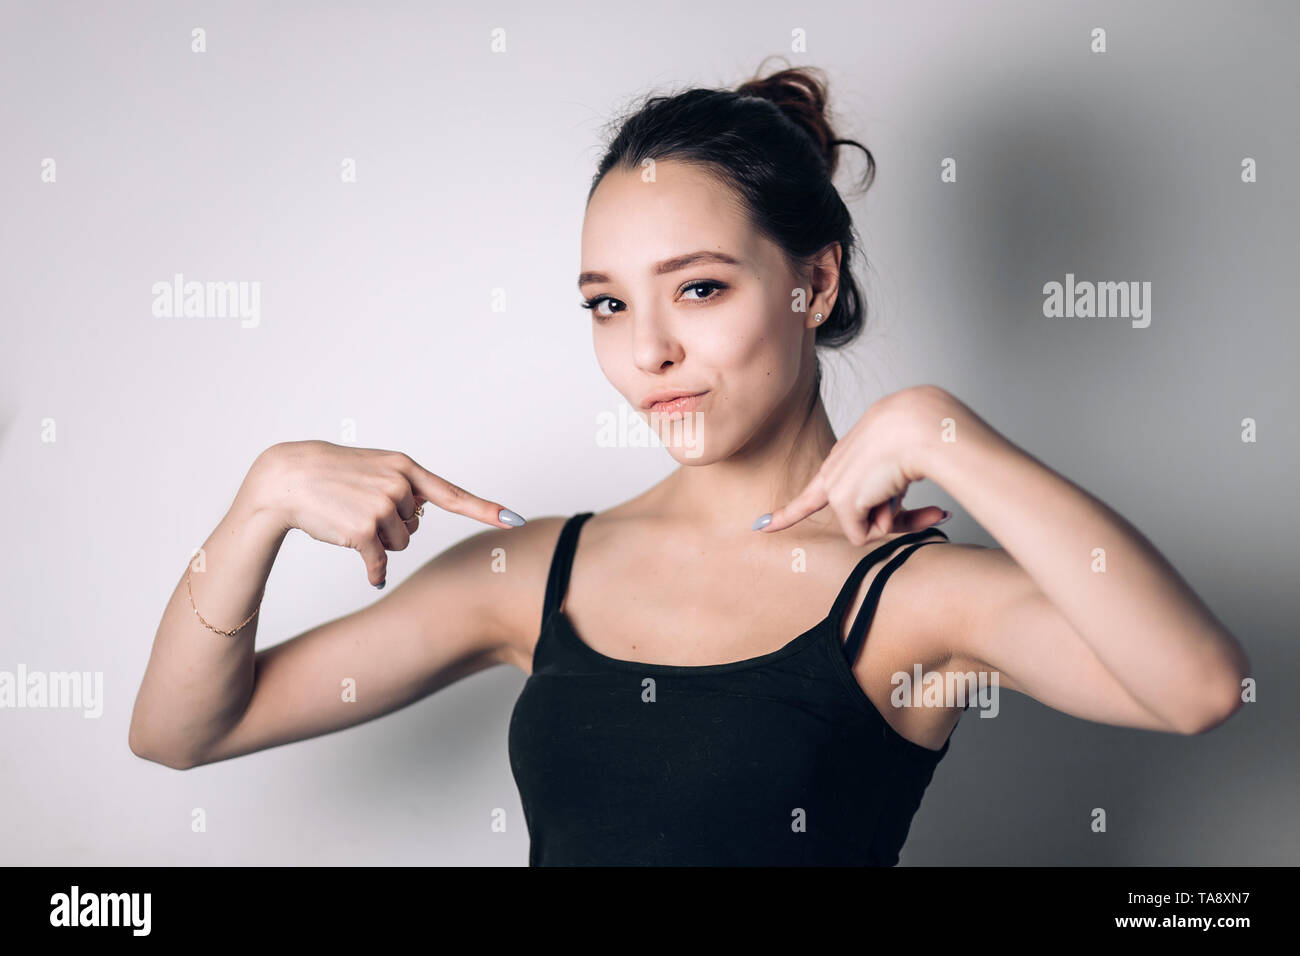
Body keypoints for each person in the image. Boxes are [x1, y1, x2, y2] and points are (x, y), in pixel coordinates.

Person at [129, 61, 1251, 866]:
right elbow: (182, 730)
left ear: (811, 283)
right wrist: (261, 499)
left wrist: (948, 433)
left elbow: (1198, 686)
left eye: (699, 287)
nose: (648, 347)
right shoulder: (536, 570)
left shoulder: (913, 595)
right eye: (608, 304)